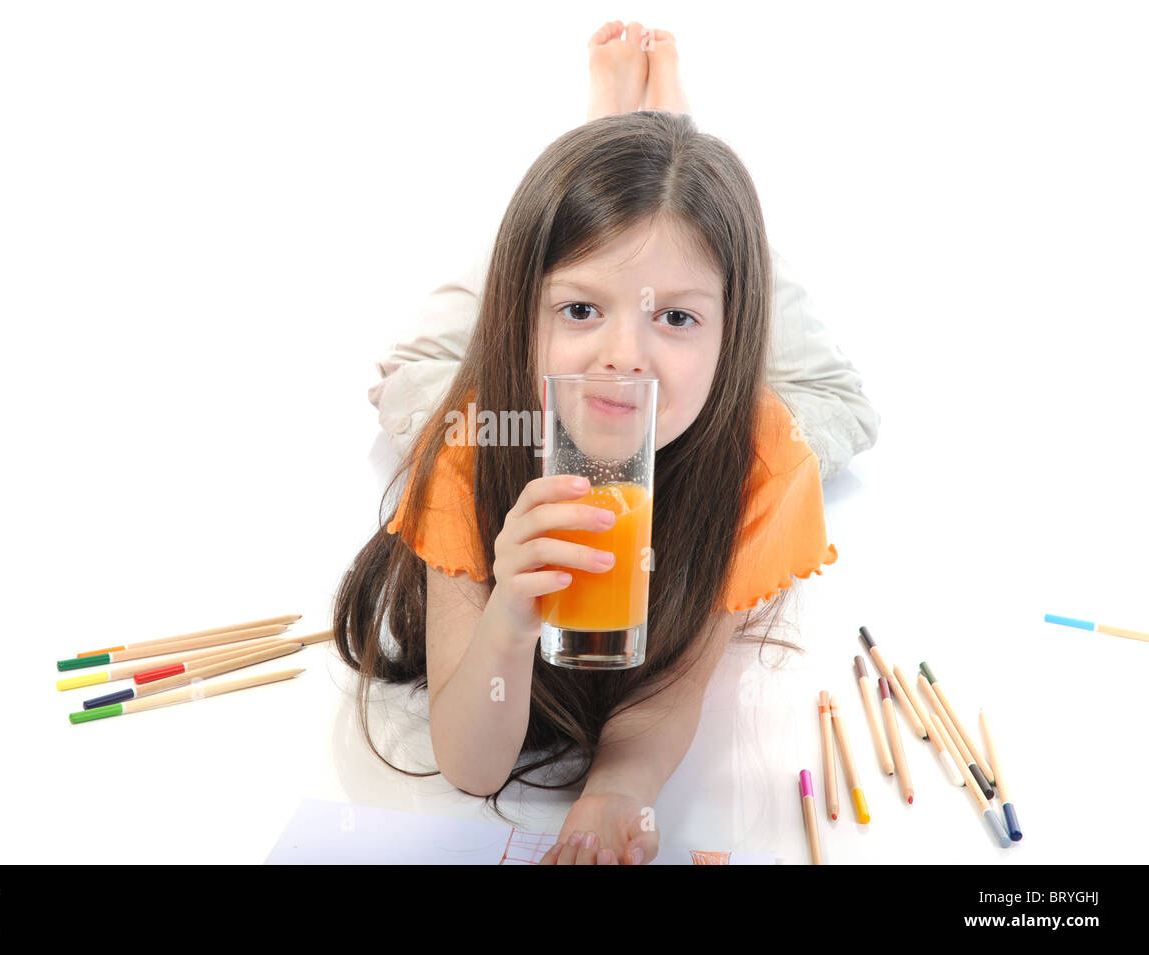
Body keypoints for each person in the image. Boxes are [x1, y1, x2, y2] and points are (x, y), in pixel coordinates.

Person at [334, 21, 879, 866]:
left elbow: (677, 687)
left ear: (735, 342)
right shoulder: (472, 442)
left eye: (677, 317)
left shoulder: (766, 461)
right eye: (582, 311)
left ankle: (666, 154)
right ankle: (604, 141)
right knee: (420, 369)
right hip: (499, 394)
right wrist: (509, 618)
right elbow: (472, 764)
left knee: (834, 400)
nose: (624, 355)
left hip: (735, 404)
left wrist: (618, 787)